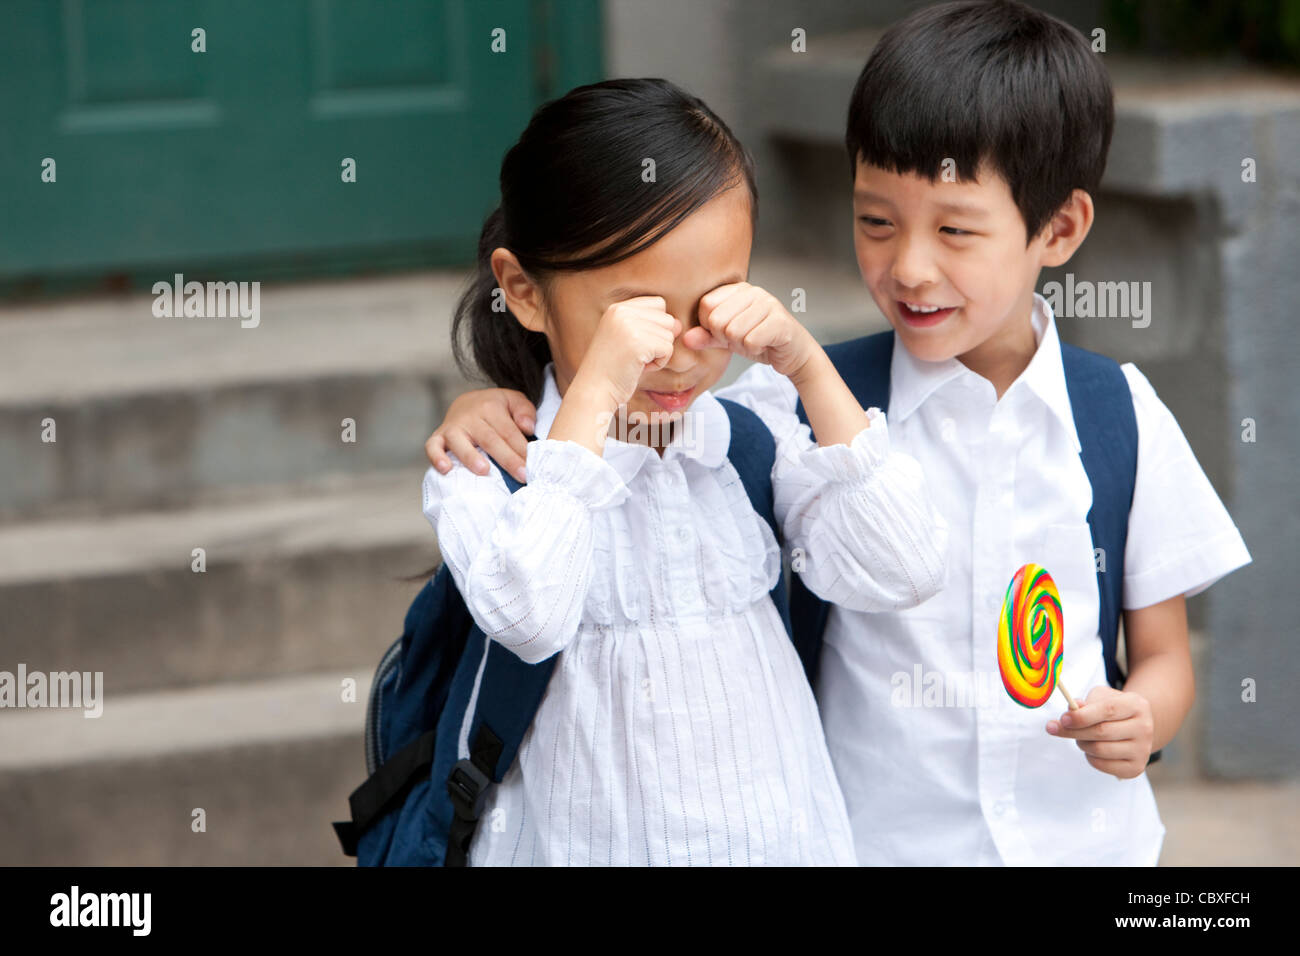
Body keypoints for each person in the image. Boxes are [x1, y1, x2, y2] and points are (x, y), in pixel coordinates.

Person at [424, 2, 1251, 865]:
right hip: (871, 838)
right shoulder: (748, 423)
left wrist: (1144, 717)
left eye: (955, 230)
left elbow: (1146, 649)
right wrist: (523, 400)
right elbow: (543, 578)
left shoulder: (1108, 415)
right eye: (875, 222)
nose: (910, 267)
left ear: (1061, 228)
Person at [422, 77, 947, 866]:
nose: (677, 349)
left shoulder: (751, 445)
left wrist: (807, 366)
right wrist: (596, 391)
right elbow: (529, 617)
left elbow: (905, 567)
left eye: (713, 305)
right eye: (636, 315)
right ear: (525, 293)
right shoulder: (490, 470)